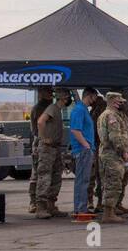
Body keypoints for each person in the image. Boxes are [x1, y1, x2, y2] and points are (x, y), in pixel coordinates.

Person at [33, 88, 72, 219]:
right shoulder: (53, 108)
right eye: (67, 97)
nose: (68, 99)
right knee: (45, 177)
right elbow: (40, 121)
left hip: (55, 148)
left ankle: (51, 205)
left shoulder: (58, 110)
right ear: (63, 98)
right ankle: (41, 207)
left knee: (56, 176)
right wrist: (43, 137)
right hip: (47, 149)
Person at [97, 92, 128, 224]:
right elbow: (115, 136)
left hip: (109, 154)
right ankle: (108, 213)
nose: (121, 103)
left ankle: (111, 209)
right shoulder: (111, 115)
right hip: (112, 154)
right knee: (113, 182)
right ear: (111, 101)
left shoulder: (110, 114)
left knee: (112, 182)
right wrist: (123, 150)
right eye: (118, 101)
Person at [69, 88, 98, 216]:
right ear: (89, 96)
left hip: (86, 149)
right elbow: (75, 129)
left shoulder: (84, 109)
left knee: (84, 179)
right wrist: (85, 144)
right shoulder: (79, 110)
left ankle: (82, 207)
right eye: (94, 97)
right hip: (82, 150)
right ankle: (80, 208)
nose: (95, 100)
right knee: (82, 180)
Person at [27, 85, 53, 214]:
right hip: (40, 143)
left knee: (48, 174)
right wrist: (44, 138)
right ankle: (34, 202)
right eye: (48, 91)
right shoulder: (39, 108)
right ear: (41, 93)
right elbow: (37, 127)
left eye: (51, 91)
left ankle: (47, 202)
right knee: (38, 174)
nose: (50, 94)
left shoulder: (51, 107)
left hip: (49, 144)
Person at [88, 91, 108, 211]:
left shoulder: (97, 112)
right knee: (98, 177)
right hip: (96, 146)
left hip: (97, 146)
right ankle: (98, 201)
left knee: (95, 177)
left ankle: (94, 201)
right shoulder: (94, 112)